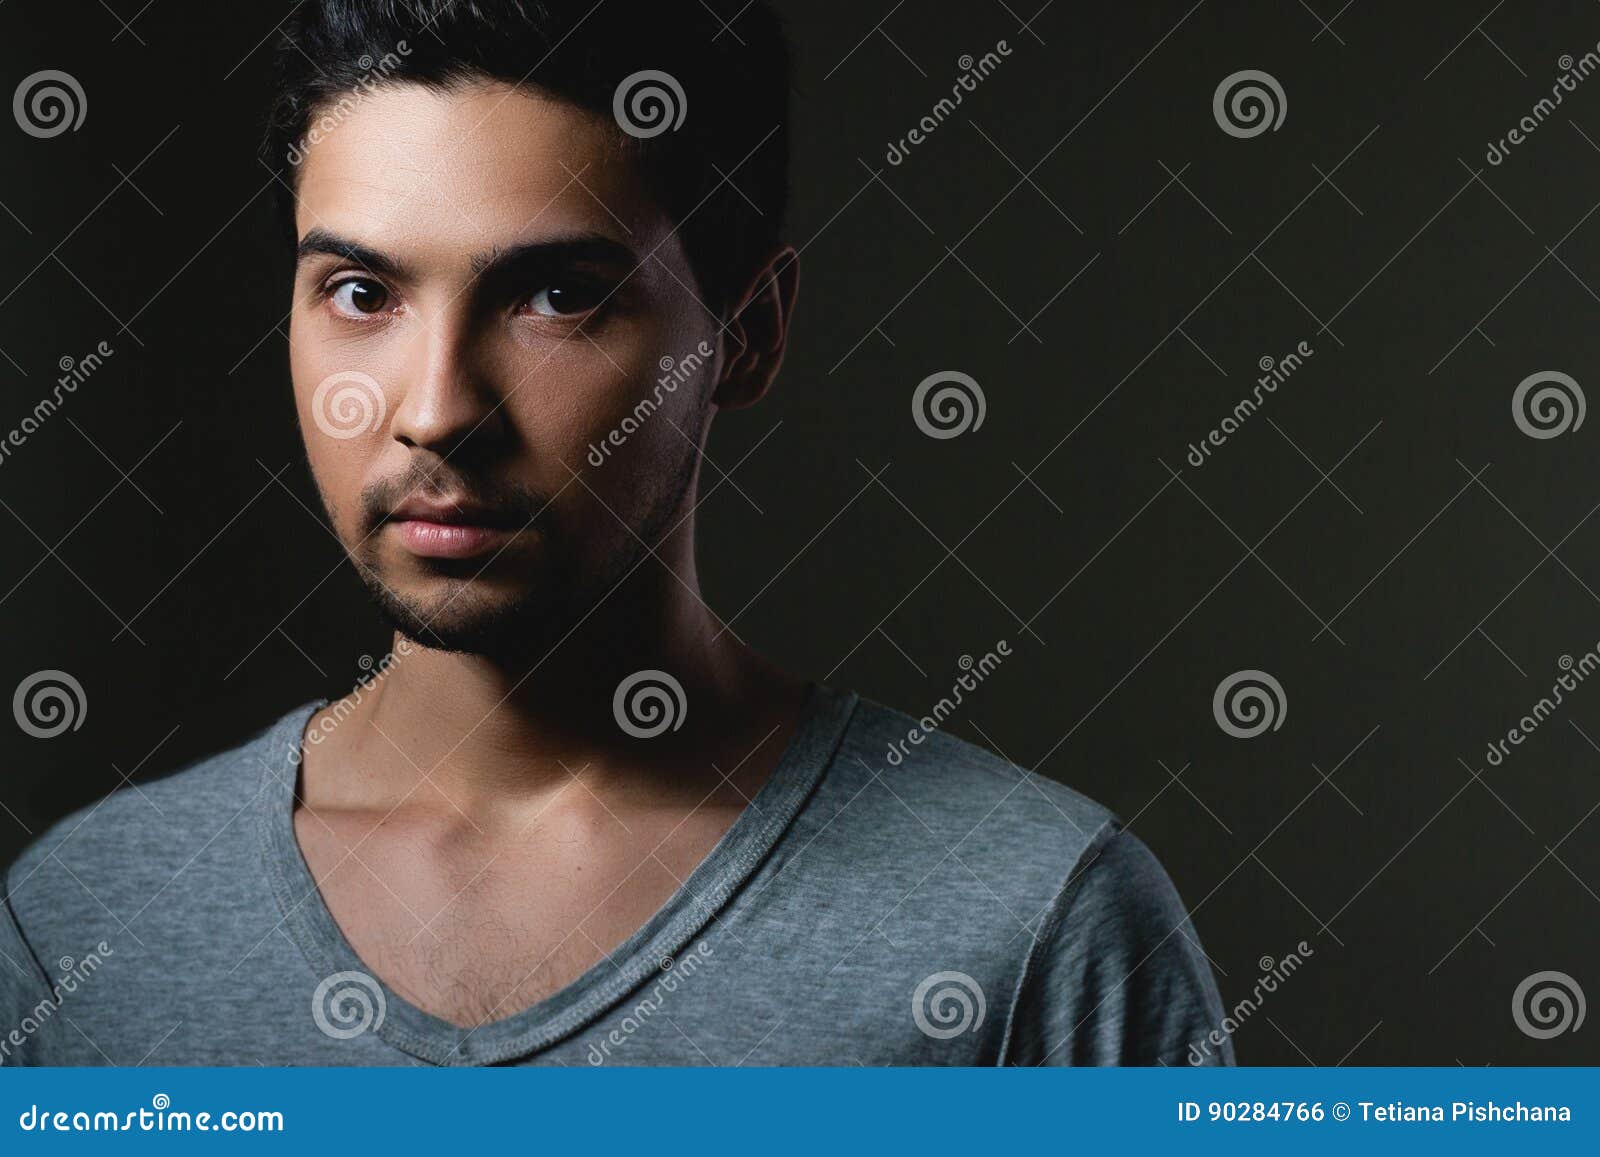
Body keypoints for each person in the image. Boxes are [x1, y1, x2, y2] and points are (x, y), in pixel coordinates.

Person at [0, 0, 1230, 1066]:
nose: (435, 410)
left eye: (554, 296)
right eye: (362, 294)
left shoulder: (1034, 927)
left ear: (744, 334)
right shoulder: (89, 928)